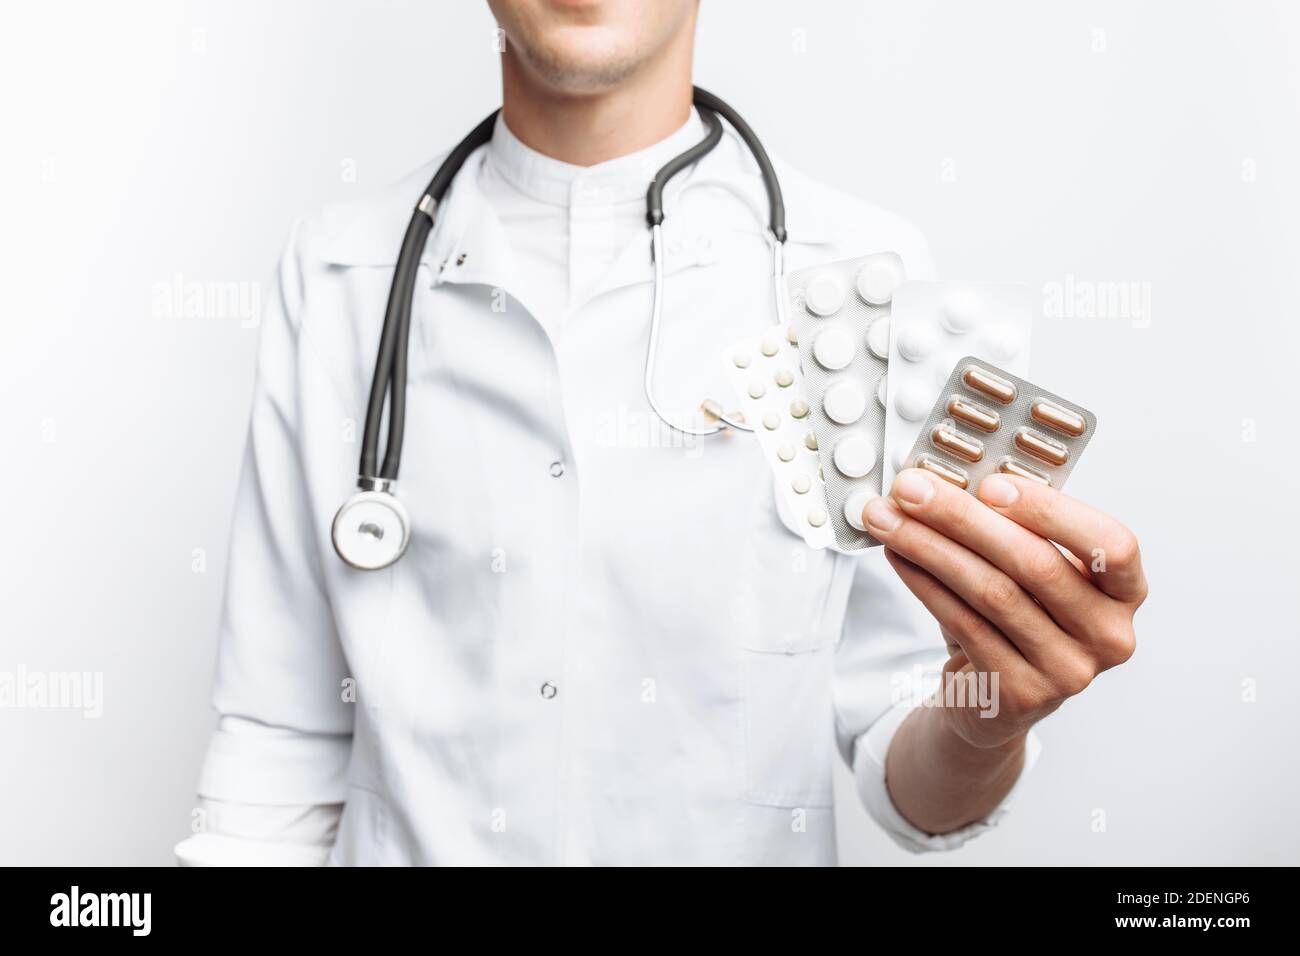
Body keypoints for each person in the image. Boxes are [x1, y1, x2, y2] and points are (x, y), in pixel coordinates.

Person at [175, 0, 1146, 866]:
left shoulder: (860, 276)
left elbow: (904, 763)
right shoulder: (340, 273)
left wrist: (987, 718)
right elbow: (275, 749)